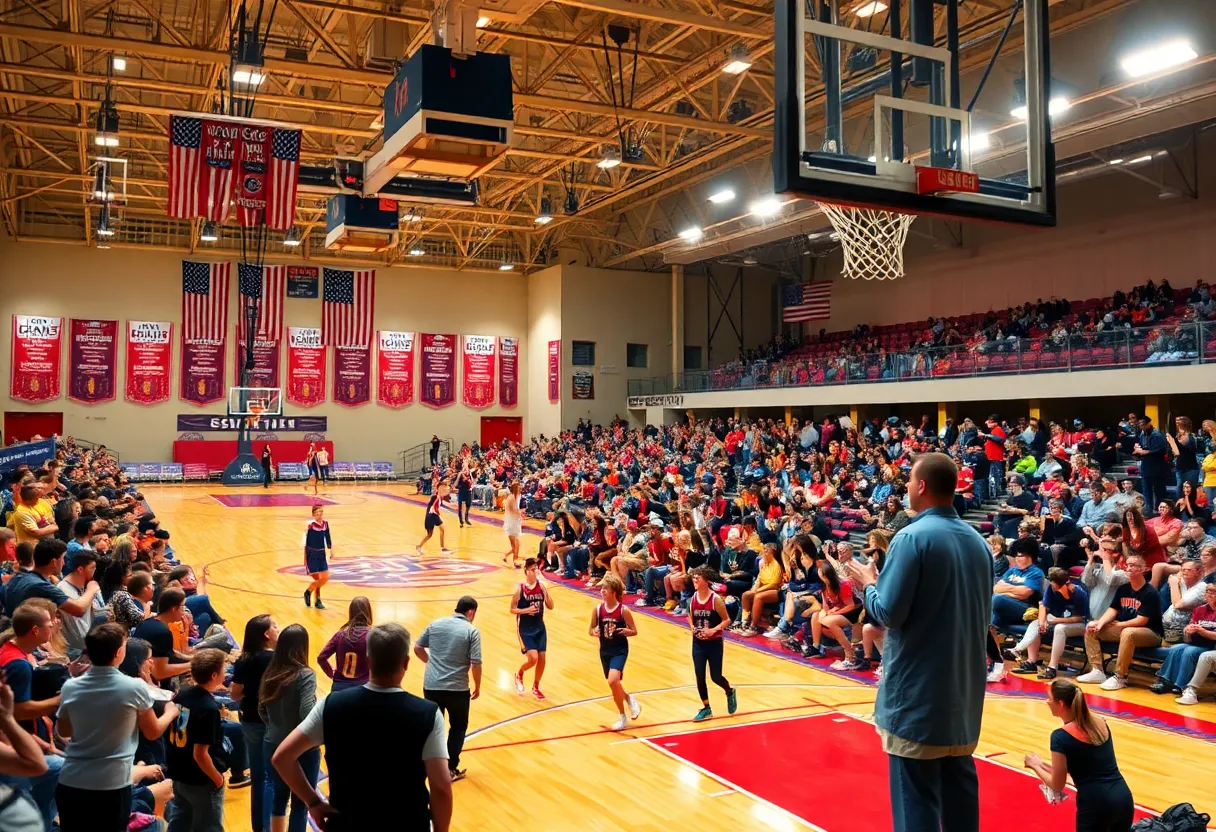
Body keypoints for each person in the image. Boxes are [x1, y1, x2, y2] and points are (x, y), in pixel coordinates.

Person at [845, 453, 991, 832]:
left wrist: (868, 583)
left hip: (917, 700)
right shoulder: (979, 543)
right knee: (961, 805)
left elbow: (887, 613)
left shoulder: (911, 537)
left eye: (909, 480)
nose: (907, 487)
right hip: (963, 701)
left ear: (922, 486)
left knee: (916, 807)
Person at [271, 623, 453, 832]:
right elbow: (441, 787)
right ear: (406, 663)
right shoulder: (428, 714)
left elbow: (282, 758)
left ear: (368, 661)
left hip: (347, 824)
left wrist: (313, 802)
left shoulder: (331, 705)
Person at [55, 622, 179, 832]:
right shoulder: (134, 687)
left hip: (71, 780)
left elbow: (65, 731)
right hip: (111, 783)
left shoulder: (71, 686)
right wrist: (170, 713)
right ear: (119, 652)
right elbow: (153, 730)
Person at [1023, 680, 1134, 832]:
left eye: (1049, 698)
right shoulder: (1100, 722)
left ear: (1060, 703)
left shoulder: (1059, 737)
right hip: (1123, 799)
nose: (1047, 701)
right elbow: (1086, 765)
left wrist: (1034, 765)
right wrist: (1043, 764)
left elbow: (1057, 784)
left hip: (1096, 805)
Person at [0, 602, 67, 829]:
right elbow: (18, 711)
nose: (54, 626)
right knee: (55, 770)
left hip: (18, 743)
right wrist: (61, 699)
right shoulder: (19, 664)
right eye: (49, 624)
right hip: (14, 747)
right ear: (35, 630)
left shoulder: (11, 650)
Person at [413, 597, 483, 782]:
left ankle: (425, 767)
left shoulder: (436, 624)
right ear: (471, 612)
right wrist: (477, 685)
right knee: (458, 727)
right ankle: (450, 769)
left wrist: (431, 664)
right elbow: (476, 663)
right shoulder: (471, 631)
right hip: (457, 689)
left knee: (432, 727)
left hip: (431, 685)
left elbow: (418, 647)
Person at [259, 625, 318, 832]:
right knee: (302, 802)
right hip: (299, 749)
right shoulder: (305, 675)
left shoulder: (270, 672)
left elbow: (261, 709)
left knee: (278, 798)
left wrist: (276, 726)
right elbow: (307, 713)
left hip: (272, 742)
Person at [166, 648, 231, 832]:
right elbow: (200, 754)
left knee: (180, 822)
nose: (225, 673)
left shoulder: (183, 694)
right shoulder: (209, 708)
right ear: (214, 675)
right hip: (200, 779)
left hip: (179, 773)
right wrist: (217, 779)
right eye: (224, 670)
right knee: (209, 827)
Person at [1078, 553, 1163, 691]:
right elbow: (1113, 609)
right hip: (1125, 630)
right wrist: (1099, 624)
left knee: (1128, 632)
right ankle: (1097, 670)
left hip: (1151, 633)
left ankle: (1120, 677)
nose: (1129, 568)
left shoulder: (1150, 592)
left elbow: (1142, 620)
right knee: (1091, 628)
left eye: (1134, 565)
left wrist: (1120, 625)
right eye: (1128, 565)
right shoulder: (1123, 589)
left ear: (1144, 569)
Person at [230, 615, 279, 832]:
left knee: (258, 777)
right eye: (275, 626)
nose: (279, 629)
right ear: (267, 634)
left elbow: (234, 694)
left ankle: (260, 827)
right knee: (273, 778)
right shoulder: (277, 659)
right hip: (273, 722)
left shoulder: (244, 659)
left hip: (249, 720)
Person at [4, 537, 100, 619]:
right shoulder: (41, 586)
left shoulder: (17, 577)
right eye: (63, 558)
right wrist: (91, 589)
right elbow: (79, 609)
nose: (64, 563)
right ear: (54, 562)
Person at [591, 574, 641, 732]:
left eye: (606, 588)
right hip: (605, 650)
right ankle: (628, 699)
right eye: (602, 588)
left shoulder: (623, 610)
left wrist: (627, 631)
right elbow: (590, 630)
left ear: (614, 591)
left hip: (619, 649)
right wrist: (595, 631)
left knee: (613, 680)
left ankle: (622, 716)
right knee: (614, 685)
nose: (602, 590)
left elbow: (634, 631)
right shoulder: (598, 610)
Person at [687, 566, 737, 722]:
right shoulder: (694, 598)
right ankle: (706, 708)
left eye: (698, 578)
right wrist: (693, 628)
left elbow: (727, 620)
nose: (694, 580)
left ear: (706, 581)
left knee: (715, 677)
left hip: (714, 643)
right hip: (698, 643)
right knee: (699, 676)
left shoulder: (715, 599)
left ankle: (729, 690)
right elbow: (689, 617)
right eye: (693, 577)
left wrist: (713, 630)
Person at [511, 559, 553, 701]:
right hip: (525, 629)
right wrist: (526, 610)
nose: (535, 572)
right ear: (526, 572)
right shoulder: (520, 589)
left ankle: (536, 686)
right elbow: (512, 609)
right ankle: (519, 674)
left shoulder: (541, 587)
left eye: (536, 569)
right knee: (533, 658)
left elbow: (551, 606)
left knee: (542, 658)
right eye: (532, 569)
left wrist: (546, 591)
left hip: (540, 627)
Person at [316, 597, 373, 692]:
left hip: (340, 688)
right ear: (369, 612)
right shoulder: (373, 635)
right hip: (365, 689)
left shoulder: (340, 635)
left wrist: (331, 673)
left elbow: (321, 657)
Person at [1132, 415, 1169, 516]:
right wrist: (1137, 448)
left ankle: (1160, 511)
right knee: (1146, 489)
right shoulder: (1142, 434)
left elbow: (1161, 450)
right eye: (1139, 424)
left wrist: (1145, 452)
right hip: (1146, 465)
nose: (1141, 426)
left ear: (1149, 423)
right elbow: (1141, 447)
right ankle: (1148, 511)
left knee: (1159, 490)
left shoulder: (1158, 434)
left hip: (1157, 466)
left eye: (1143, 424)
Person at [302, 504, 331, 610]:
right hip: (311, 554)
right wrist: (305, 555)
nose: (319, 514)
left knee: (325, 578)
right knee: (318, 578)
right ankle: (318, 600)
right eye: (317, 512)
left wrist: (331, 549)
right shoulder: (310, 525)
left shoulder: (326, 524)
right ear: (313, 514)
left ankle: (308, 591)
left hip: (321, 554)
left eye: (321, 511)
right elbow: (304, 540)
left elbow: (328, 537)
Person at [417, 482, 453, 555]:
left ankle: (419, 546)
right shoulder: (436, 497)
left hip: (431, 516)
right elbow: (434, 507)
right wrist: (438, 512)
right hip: (432, 516)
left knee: (432, 534)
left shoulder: (439, 496)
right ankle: (442, 548)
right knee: (436, 532)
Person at [502, 481, 523, 567]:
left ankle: (507, 555)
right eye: (518, 488)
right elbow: (510, 510)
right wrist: (519, 513)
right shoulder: (511, 498)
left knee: (517, 543)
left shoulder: (517, 497)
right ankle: (515, 560)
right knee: (515, 543)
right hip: (511, 522)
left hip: (515, 521)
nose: (520, 489)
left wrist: (519, 514)